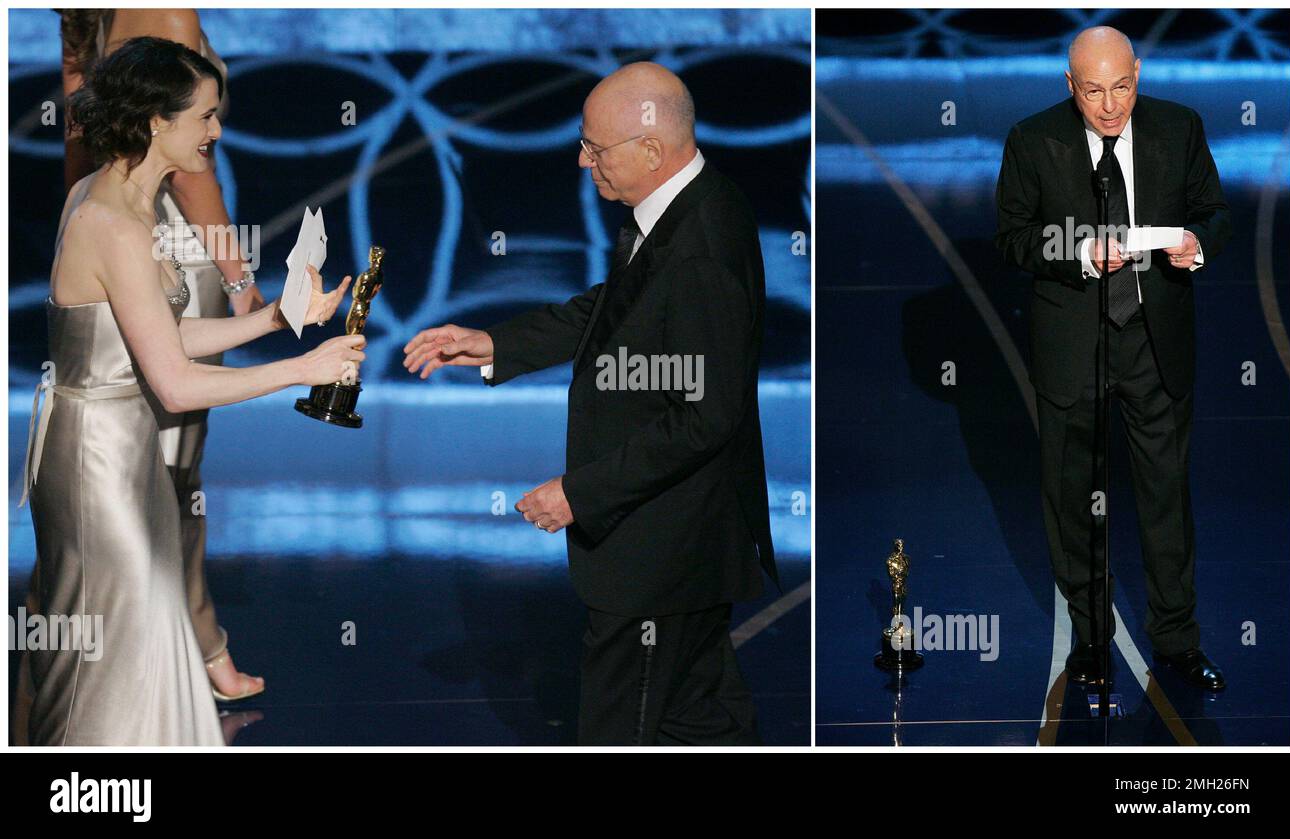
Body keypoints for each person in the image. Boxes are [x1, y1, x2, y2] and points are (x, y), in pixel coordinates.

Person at [403, 62, 778, 744]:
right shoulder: (680, 210)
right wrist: (495, 344)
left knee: (621, 726)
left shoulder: (699, 248)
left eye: (594, 148)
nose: (582, 161)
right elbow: (613, 313)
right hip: (681, 548)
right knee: (699, 719)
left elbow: (707, 415)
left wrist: (582, 492)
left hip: (661, 551)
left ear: (651, 151)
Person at [23, 36, 359, 744]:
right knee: (114, 642)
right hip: (96, 463)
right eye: (204, 116)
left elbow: (164, 339)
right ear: (154, 122)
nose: (215, 131)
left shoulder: (128, 202)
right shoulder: (109, 219)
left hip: (123, 449)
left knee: (141, 629)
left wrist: (279, 317)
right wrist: (304, 370)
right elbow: (174, 384)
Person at [995, 26, 1231, 690]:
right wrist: (1079, 253)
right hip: (1075, 349)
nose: (1109, 105)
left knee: (1166, 499)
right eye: (1093, 91)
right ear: (1070, 86)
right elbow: (1011, 238)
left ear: (1139, 73)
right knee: (1075, 501)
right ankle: (1092, 640)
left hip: (1156, 347)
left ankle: (1178, 641)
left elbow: (1216, 212)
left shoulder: (1179, 128)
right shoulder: (1033, 139)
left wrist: (1196, 246)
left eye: (1121, 86)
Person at [61, 8, 267, 702]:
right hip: (170, 240)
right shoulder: (165, 12)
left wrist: (82, 227)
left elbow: (78, 140)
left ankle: (164, 645)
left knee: (155, 476)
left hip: (120, 217)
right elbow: (191, 167)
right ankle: (191, 645)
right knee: (172, 473)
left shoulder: (85, 21)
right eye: (206, 115)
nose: (215, 126)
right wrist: (238, 272)